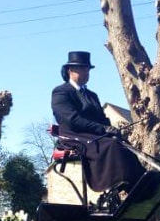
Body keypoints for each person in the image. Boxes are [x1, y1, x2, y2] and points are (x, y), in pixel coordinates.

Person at [51, 51, 145, 196]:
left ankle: (140, 181)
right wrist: (102, 129)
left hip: (94, 134)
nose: (86, 72)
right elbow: (72, 120)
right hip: (74, 136)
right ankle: (119, 180)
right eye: (83, 68)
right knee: (112, 146)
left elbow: (102, 118)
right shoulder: (61, 92)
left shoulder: (92, 95)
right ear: (70, 70)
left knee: (122, 143)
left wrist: (111, 129)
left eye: (88, 69)